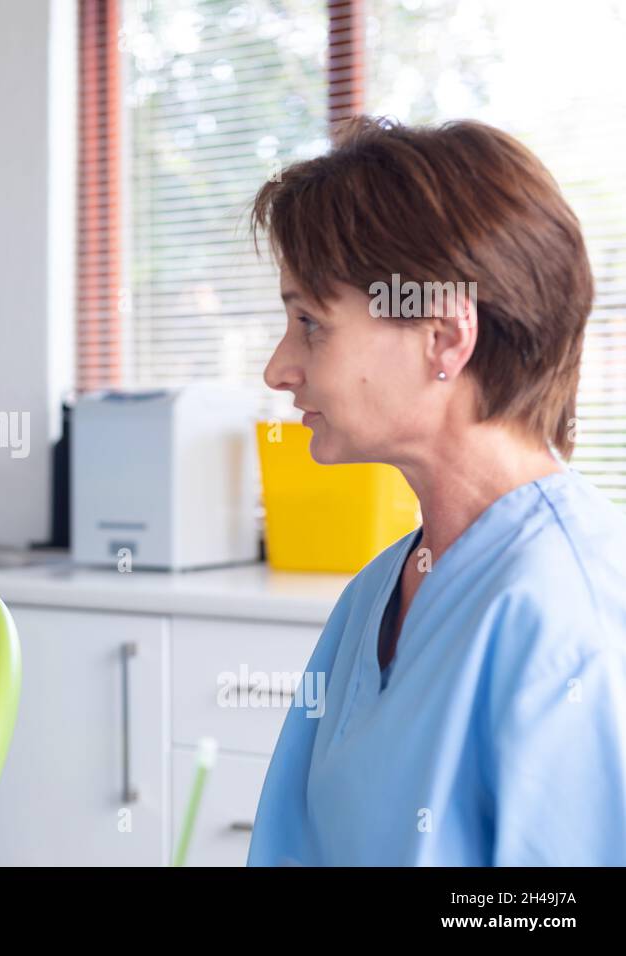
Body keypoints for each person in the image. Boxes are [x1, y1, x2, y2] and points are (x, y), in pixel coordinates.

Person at [246, 116, 626, 865]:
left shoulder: (565, 619)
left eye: (310, 323)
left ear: (445, 338)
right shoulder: (376, 596)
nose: (280, 368)